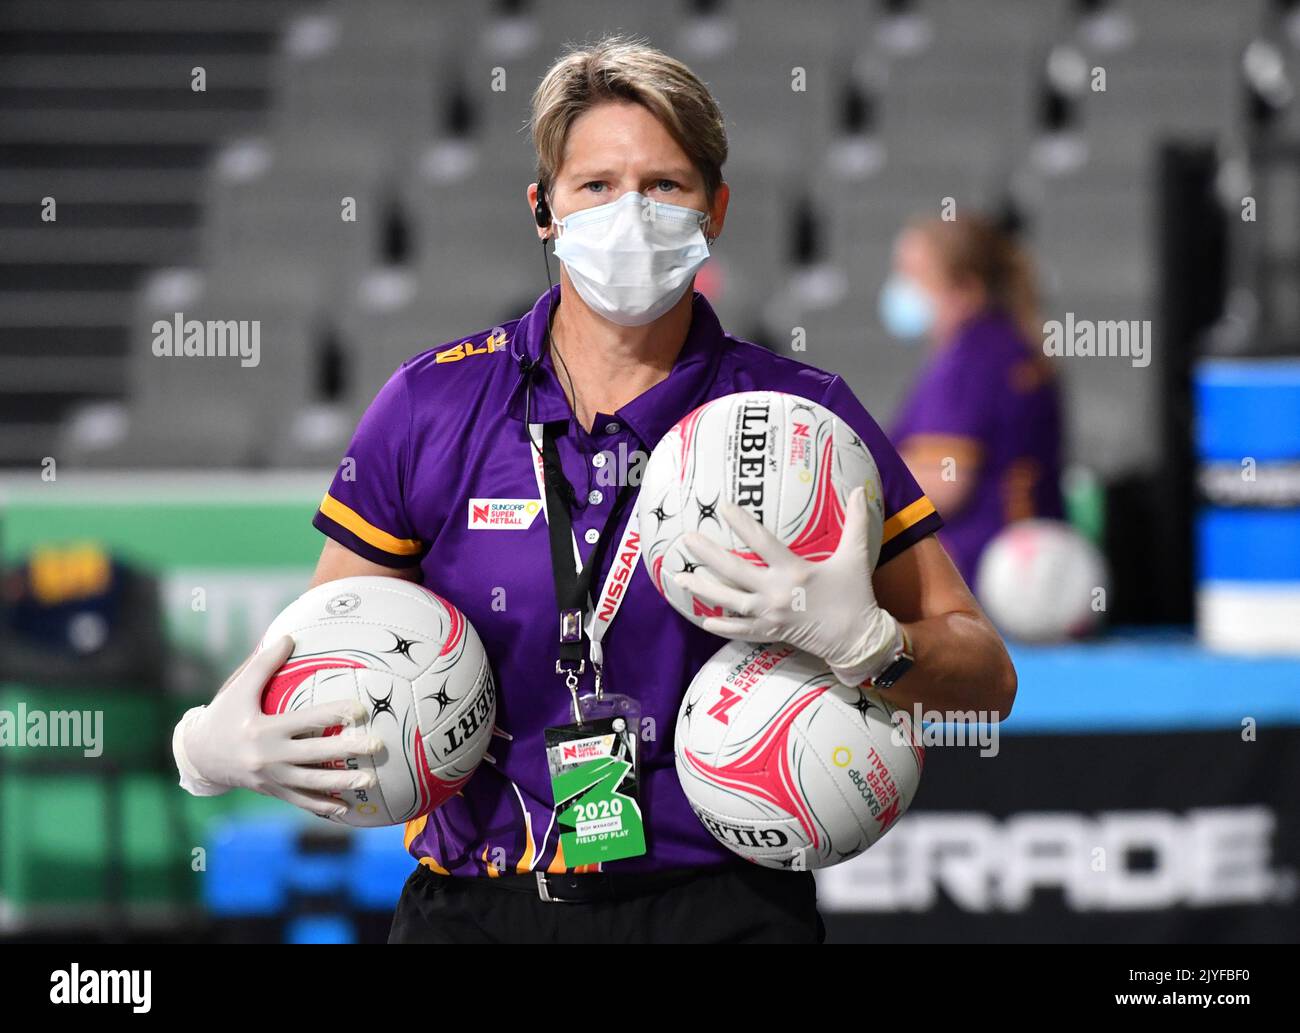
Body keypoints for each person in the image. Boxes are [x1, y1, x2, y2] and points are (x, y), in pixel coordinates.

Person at [171, 36, 1016, 945]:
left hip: (724, 912)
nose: (632, 214)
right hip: (477, 911)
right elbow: (324, 652)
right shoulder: (431, 404)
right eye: (597, 186)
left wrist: (868, 642)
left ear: (716, 209)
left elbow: (986, 679)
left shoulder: (806, 423)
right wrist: (207, 747)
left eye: (666, 185)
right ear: (544, 209)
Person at [882, 214, 1065, 588]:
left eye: (915, 277)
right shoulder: (1005, 346)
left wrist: (851, 481)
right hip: (1036, 564)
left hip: (988, 571)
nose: (902, 289)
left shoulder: (972, 359)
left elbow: (943, 485)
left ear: (965, 289)